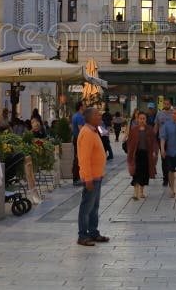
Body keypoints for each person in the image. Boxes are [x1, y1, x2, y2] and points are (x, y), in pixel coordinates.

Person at [76, 107, 109, 246]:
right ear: (89, 117)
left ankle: (93, 232)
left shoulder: (93, 131)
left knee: (94, 207)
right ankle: (83, 236)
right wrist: (88, 178)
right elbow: (84, 158)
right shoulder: (87, 133)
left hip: (97, 175)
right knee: (86, 207)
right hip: (91, 177)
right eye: (97, 114)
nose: (100, 116)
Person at [126, 112, 157, 200]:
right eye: (140, 118)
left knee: (144, 173)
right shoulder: (134, 130)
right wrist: (130, 153)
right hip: (137, 154)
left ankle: (141, 192)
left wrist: (154, 151)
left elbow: (154, 142)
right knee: (136, 172)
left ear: (146, 120)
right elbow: (130, 142)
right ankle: (135, 193)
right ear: (138, 119)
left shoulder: (150, 130)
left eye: (144, 118)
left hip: (146, 154)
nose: (142, 120)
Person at [155, 98, 175, 187]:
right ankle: (165, 178)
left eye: (167, 104)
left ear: (170, 104)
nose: (166, 105)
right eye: (165, 104)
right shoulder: (159, 114)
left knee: (171, 159)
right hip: (162, 139)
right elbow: (156, 126)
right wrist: (152, 137)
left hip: (171, 140)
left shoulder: (174, 113)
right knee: (164, 159)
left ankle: (171, 178)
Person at [71, 101, 85, 185]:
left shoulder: (74, 116)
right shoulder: (80, 117)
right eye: (84, 105)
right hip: (79, 139)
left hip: (76, 138)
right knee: (79, 158)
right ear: (80, 107)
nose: (85, 106)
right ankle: (77, 177)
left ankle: (76, 177)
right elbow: (81, 129)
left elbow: (73, 129)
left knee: (77, 157)